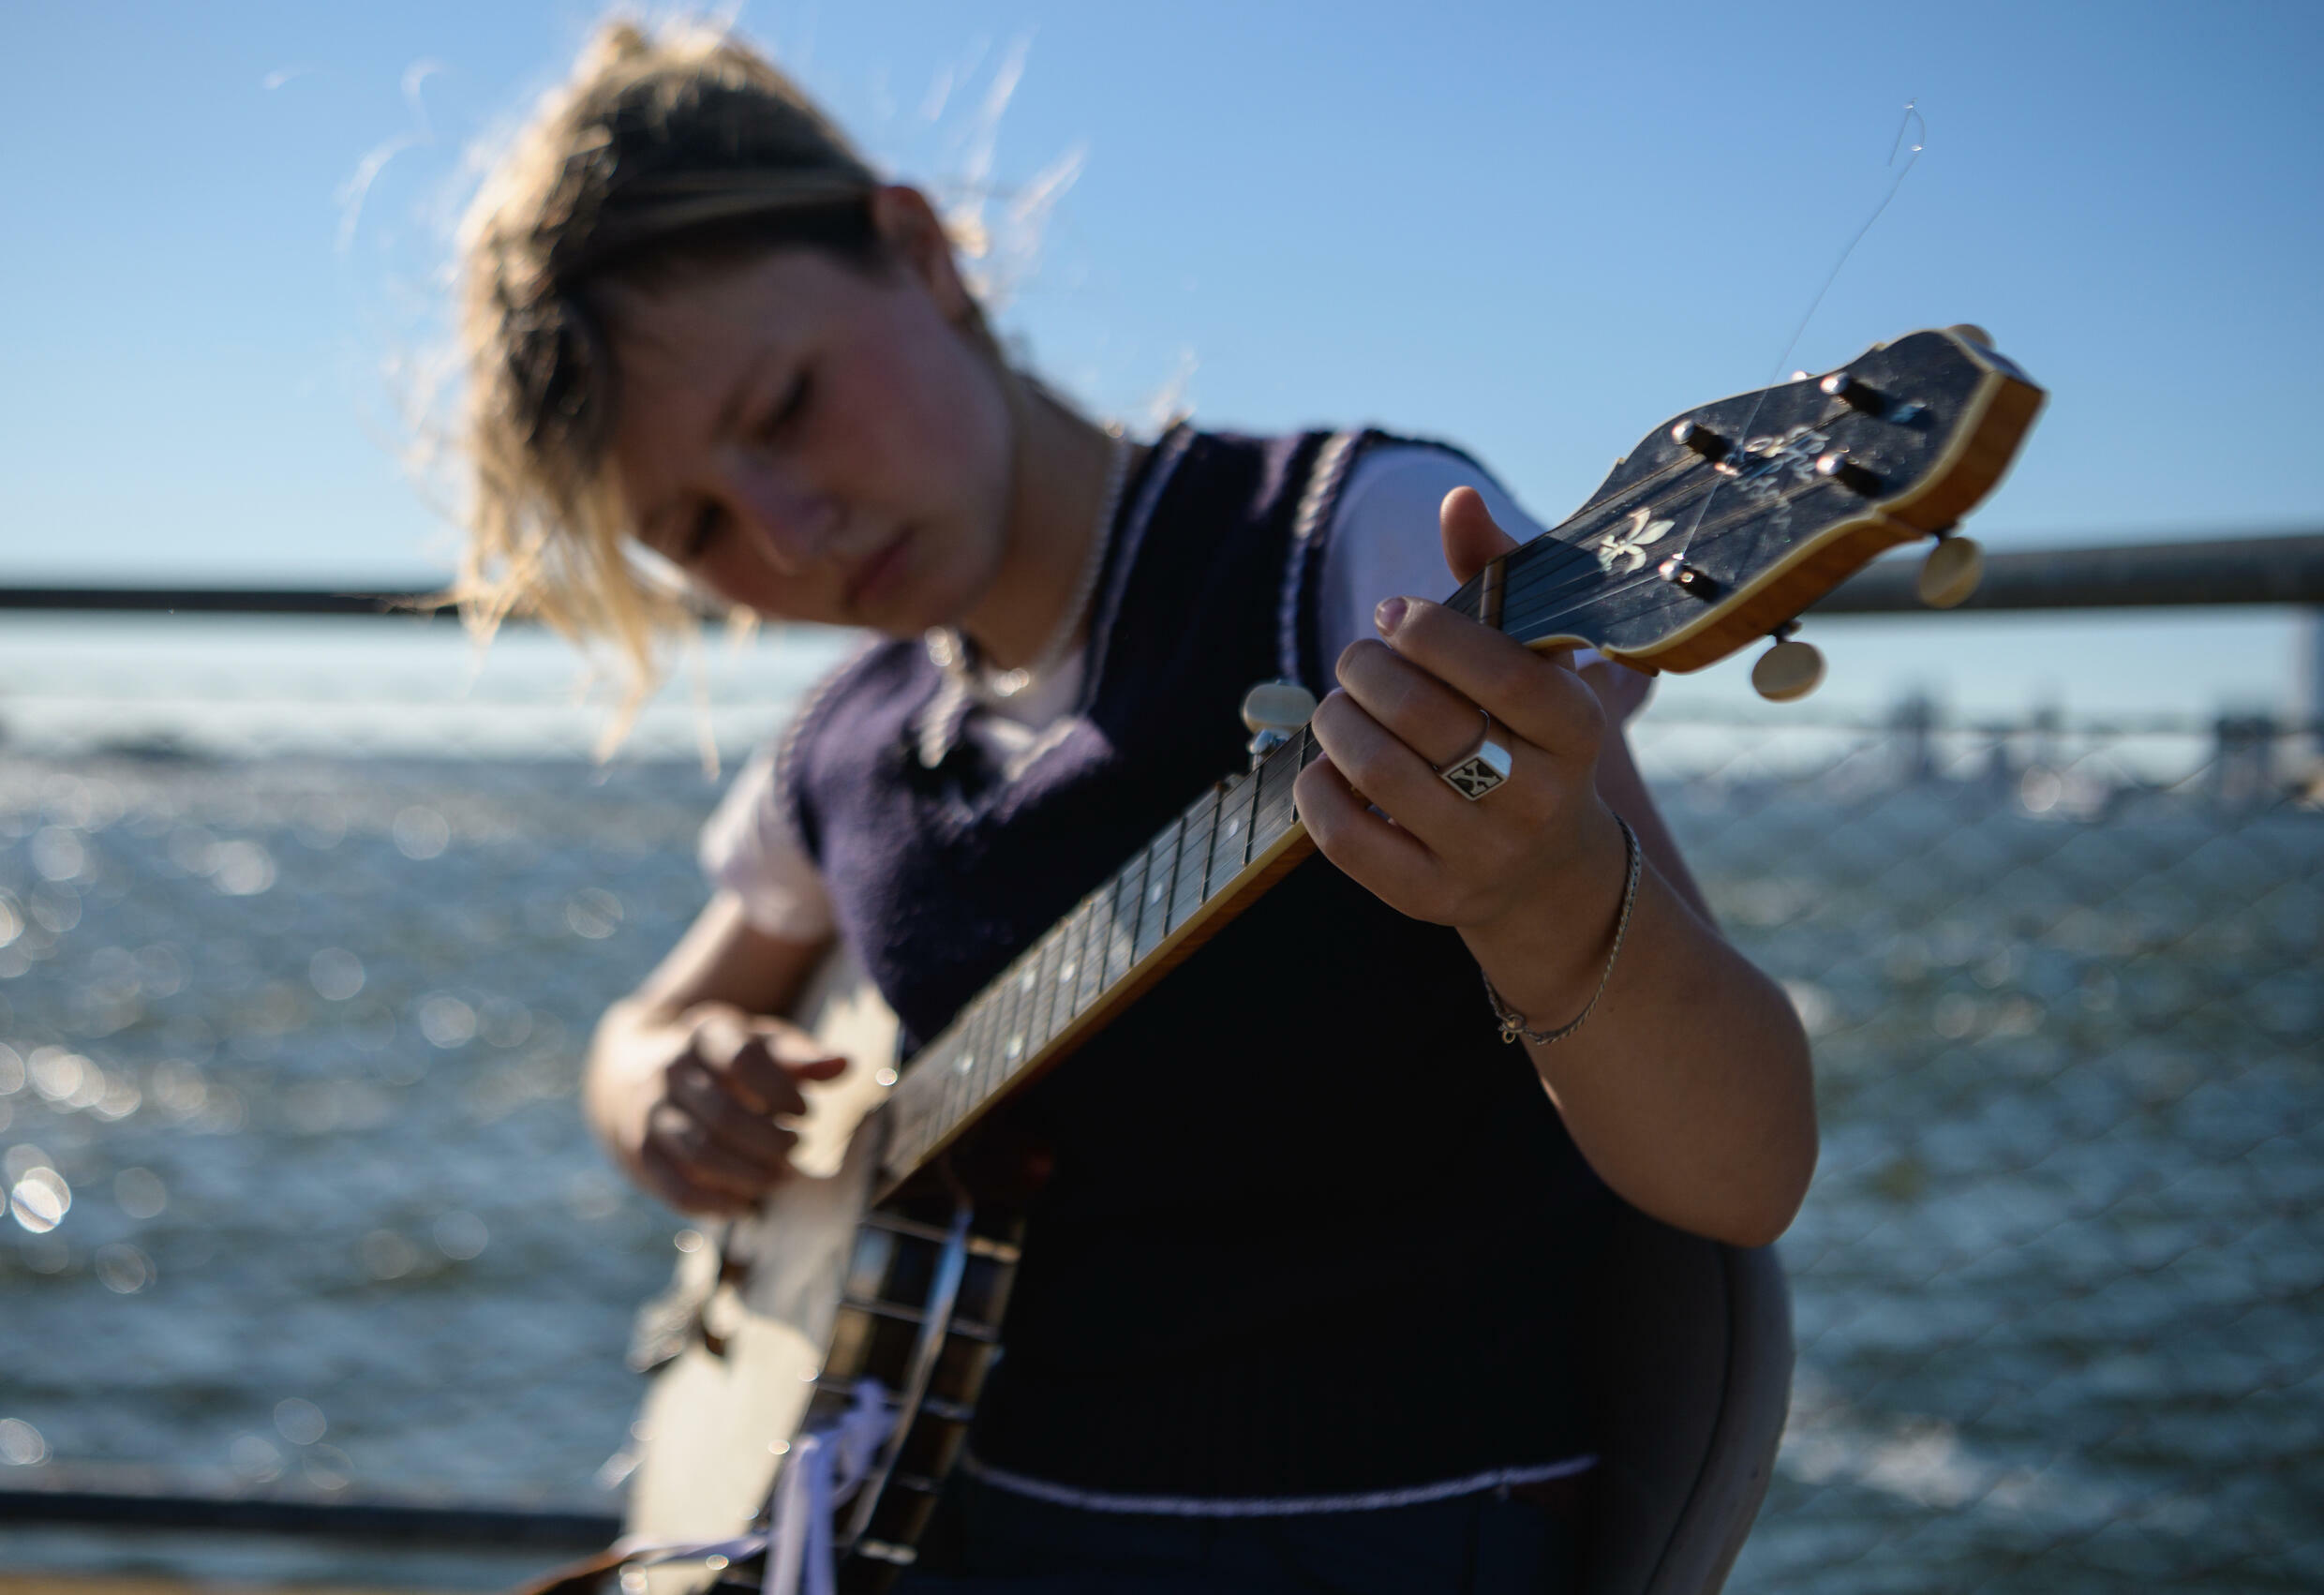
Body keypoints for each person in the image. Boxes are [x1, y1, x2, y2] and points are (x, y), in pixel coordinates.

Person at [455, 21, 1816, 1593]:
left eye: (786, 407)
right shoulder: (848, 741)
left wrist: (1543, 890)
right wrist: (656, 1086)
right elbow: (649, 1023)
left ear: (921, 253)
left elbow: (1745, 1169)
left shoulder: (1342, 554)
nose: (787, 528)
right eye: (694, 526)